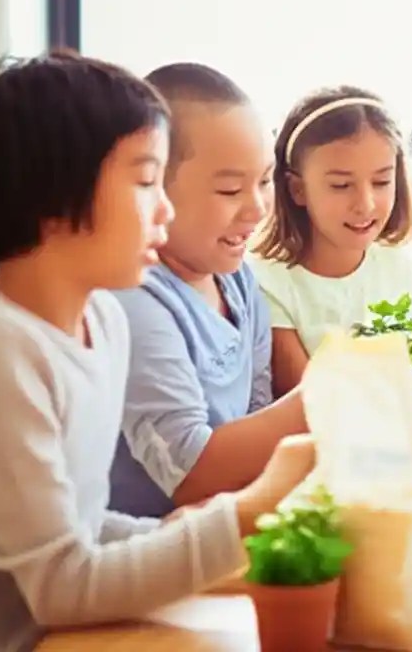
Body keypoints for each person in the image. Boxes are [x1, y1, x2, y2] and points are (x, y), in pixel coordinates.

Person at [0, 52, 314, 652]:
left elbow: (81, 525)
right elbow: (58, 583)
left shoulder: (103, 318)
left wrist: (172, 533)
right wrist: (244, 513)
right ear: (53, 196)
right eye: (143, 182)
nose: (163, 208)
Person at [248, 87, 412, 445]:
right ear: (297, 190)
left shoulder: (394, 265)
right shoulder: (268, 281)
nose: (365, 203)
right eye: (341, 185)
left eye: (382, 181)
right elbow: (311, 404)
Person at [109, 62, 309, 518]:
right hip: (140, 558)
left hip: (212, 537)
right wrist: (325, 394)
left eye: (263, 181)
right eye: (230, 190)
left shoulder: (238, 280)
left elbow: (259, 421)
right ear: (154, 189)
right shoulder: (134, 300)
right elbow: (189, 473)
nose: (257, 209)